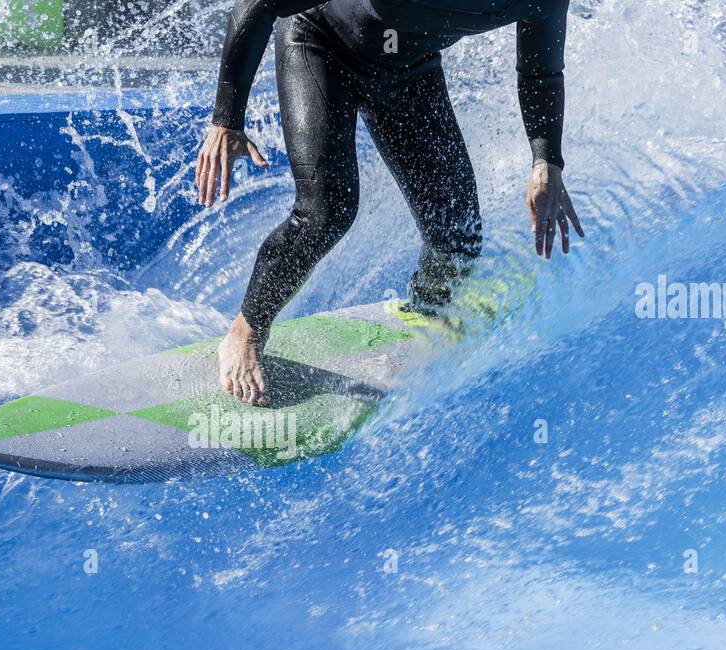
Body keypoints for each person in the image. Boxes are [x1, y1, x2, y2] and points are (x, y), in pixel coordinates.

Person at [195, 0, 585, 406]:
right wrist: (226, 120)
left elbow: (541, 71)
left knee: (457, 234)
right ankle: (245, 331)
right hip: (321, 44)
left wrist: (545, 161)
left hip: (406, 66)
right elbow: (260, 5)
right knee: (327, 213)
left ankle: (426, 320)